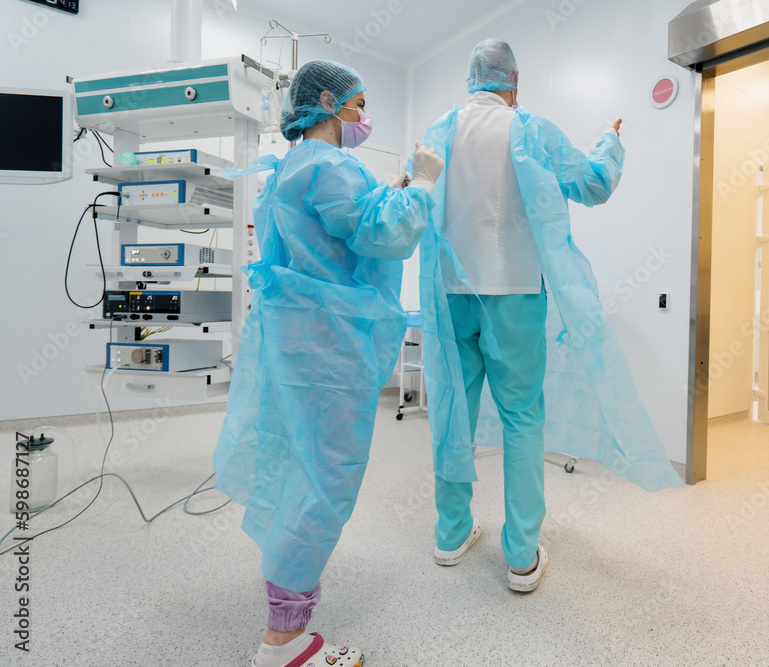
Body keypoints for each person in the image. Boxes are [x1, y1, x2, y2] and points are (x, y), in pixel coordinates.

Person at [413, 39, 684, 595]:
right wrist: (610, 141)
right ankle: (520, 557)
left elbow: (415, 200)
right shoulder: (530, 129)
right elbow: (593, 184)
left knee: (453, 412)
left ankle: (450, 535)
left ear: (471, 80)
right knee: (521, 418)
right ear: (513, 79)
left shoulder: (437, 132)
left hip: (449, 293)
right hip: (513, 290)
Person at [213, 60, 444, 667]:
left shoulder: (292, 168)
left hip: (296, 339)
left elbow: (343, 229)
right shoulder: (331, 164)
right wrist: (420, 185)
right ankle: (283, 640)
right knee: (328, 475)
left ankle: (281, 589)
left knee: (299, 463)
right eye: (359, 104)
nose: (364, 117)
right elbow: (382, 235)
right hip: (328, 344)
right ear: (328, 101)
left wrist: (390, 193)